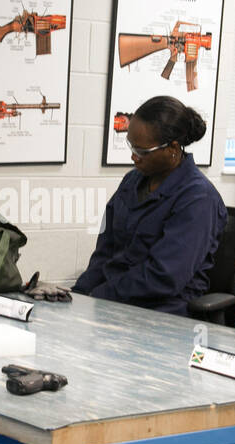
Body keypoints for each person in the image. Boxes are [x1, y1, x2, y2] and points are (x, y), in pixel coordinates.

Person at [73, 96, 226, 315]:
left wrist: (99, 297)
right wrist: (78, 294)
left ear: (173, 148)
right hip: (115, 300)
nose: (134, 157)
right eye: (131, 146)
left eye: (143, 151)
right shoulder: (131, 182)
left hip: (164, 311)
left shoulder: (198, 199)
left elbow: (164, 277)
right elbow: (105, 252)